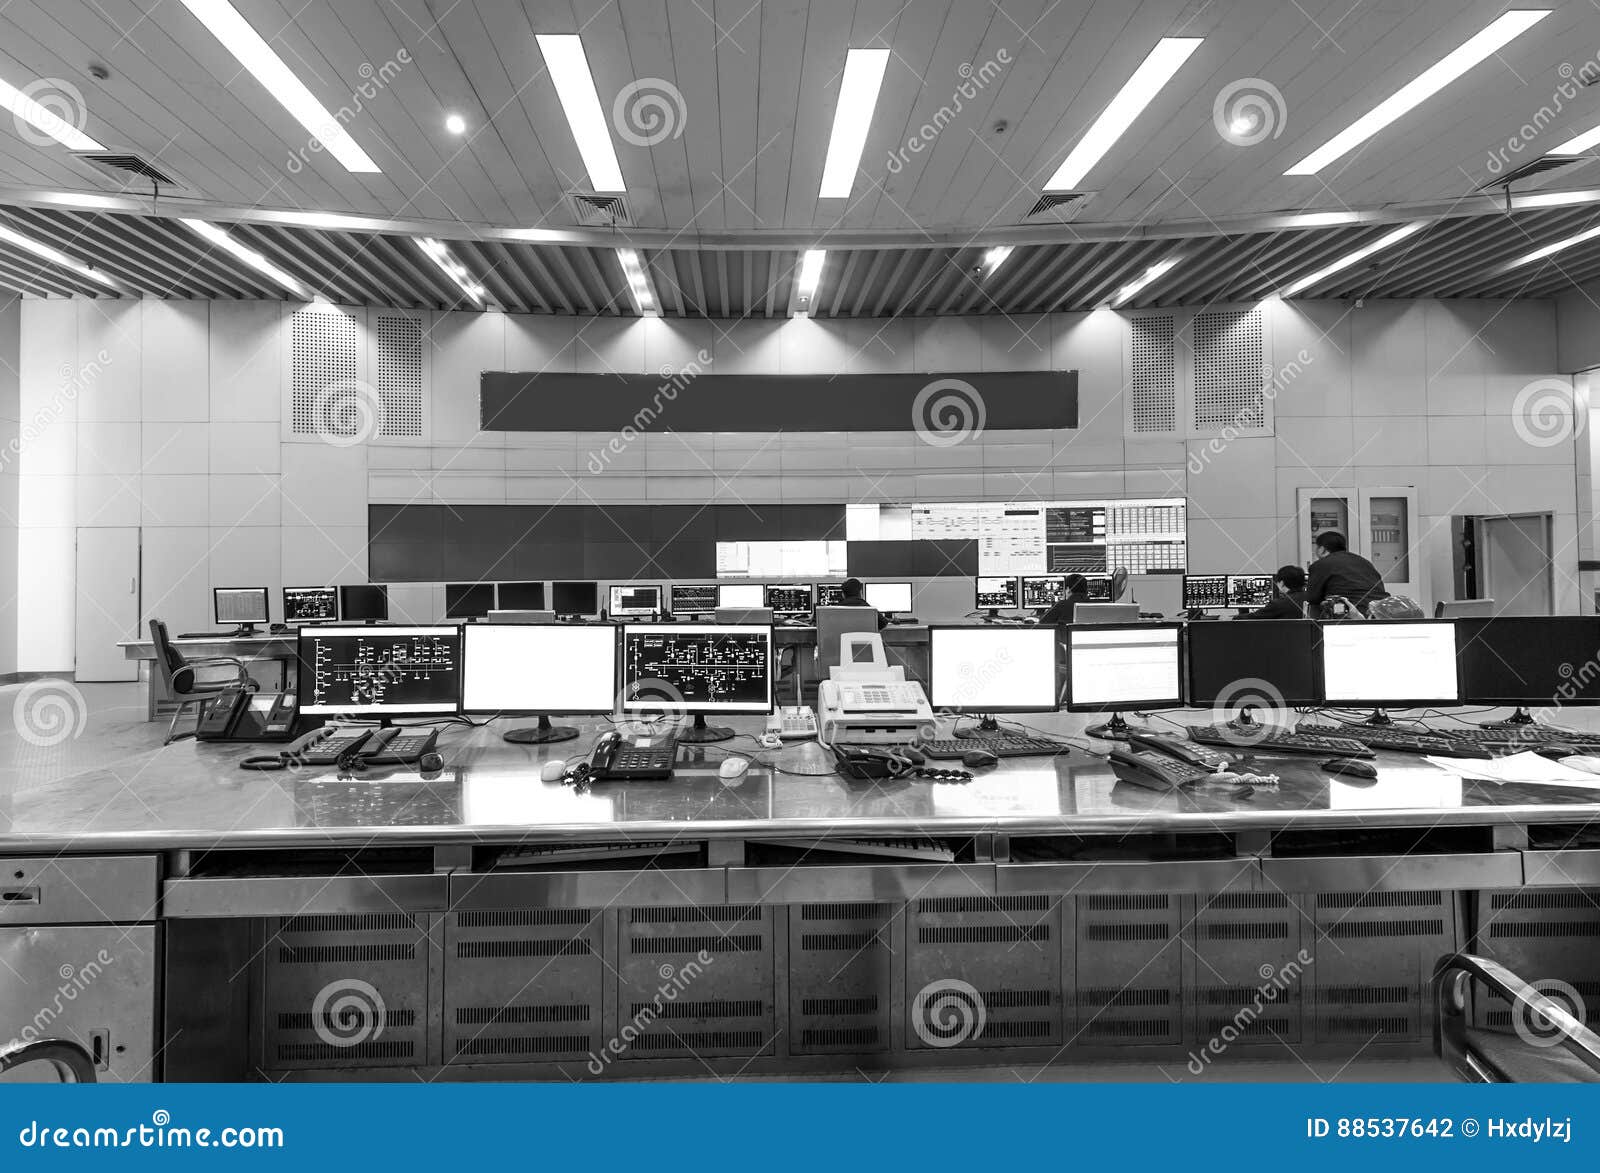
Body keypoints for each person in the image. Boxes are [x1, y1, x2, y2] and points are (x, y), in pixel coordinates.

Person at [1303, 531, 1388, 614]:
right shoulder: (1364, 562)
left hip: (1350, 611)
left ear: (1322, 549)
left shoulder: (1320, 564)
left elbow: (1312, 598)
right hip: (1380, 610)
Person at [1243, 565, 1308, 619]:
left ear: (1282, 583)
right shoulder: (1311, 598)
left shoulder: (1279, 603)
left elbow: (1253, 617)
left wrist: (1235, 617)